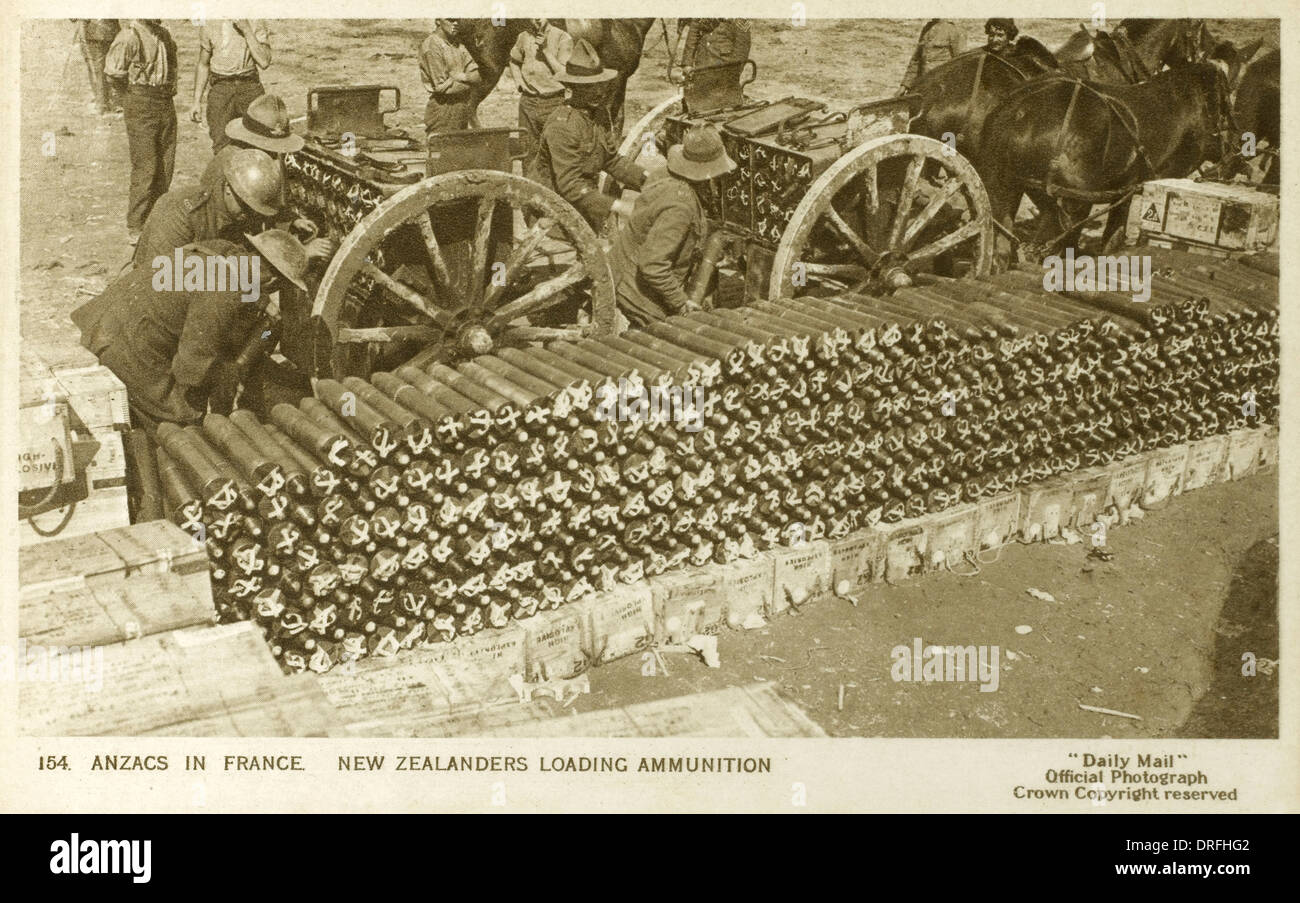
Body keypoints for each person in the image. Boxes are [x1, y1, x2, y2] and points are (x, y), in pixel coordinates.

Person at [71, 229, 311, 432]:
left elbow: (255, 326)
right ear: (272, 281)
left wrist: (265, 330)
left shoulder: (221, 251)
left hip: (105, 322)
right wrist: (230, 374)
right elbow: (189, 370)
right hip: (126, 353)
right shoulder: (223, 290)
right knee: (184, 425)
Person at [608, 125, 735, 327]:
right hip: (634, 288)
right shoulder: (681, 207)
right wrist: (681, 303)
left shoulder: (664, 175)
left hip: (623, 268)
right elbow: (653, 266)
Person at [528, 38, 647, 231]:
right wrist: (620, 206)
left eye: (601, 85)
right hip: (553, 217)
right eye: (589, 87)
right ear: (573, 87)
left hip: (584, 207)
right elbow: (570, 186)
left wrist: (647, 178)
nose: (599, 92)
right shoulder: (562, 126)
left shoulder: (598, 114)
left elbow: (612, 161)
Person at [134, 148, 284, 268]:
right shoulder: (180, 212)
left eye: (255, 209)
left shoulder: (239, 210)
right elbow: (159, 274)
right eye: (245, 206)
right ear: (228, 188)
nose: (250, 214)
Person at [104, 19, 179, 236]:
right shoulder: (129, 37)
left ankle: (156, 219)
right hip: (141, 101)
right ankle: (136, 225)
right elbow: (113, 74)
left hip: (165, 101)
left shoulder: (163, 34)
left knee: (166, 164)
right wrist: (134, 99)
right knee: (146, 166)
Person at [200, 93, 304, 212]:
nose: (274, 153)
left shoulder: (269, 158)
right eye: (269, 146)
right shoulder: (228, 162)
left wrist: (291, 220)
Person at [191, 19, 272, 152]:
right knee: (221, 144)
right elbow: (203, 64)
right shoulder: (209, 23)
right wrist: (196, 102)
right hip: (220, 89)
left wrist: (246, 30)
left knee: (259, 143)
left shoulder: (255, 20)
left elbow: (264, 61)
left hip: (249, 86)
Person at [509, 18, 572, 162]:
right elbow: (514, 62)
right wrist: (519, 82)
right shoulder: (524, 36)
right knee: (528, 152)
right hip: (528, 102)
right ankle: (529, 183)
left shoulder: (562, 37)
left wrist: (545, 49)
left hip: (554, 102)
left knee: (555, 152)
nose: (537, 18)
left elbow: (564, 73)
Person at [419, 18, 481, 136]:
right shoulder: (432, 46)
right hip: (443, 109)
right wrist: (469, 80)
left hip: (462, 107)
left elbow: (478, 77)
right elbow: (443, 89)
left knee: (459, 150)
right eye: (451, 20)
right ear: (438, 21)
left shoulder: (458, 45)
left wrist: (459, 77)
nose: (456, 23)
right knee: (441, 151)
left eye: (457, 20)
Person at [672, 18, 751, 83]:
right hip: (701, 63)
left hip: (724, 67)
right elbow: (693, 32)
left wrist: (734, 73)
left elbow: (742, 48)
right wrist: (687, 63)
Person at [899, 19, 966, 92]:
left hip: (941, 86)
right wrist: (905, 85)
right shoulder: (927, 28)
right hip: (923, 83)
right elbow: (916, 60)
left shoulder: (953, 29)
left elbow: (960, 62)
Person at [75, 19, 121, 115]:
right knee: (113, 66)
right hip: (112, 31)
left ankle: (101, 103)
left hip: (92, 32)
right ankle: (114, 102)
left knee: (96, 69)